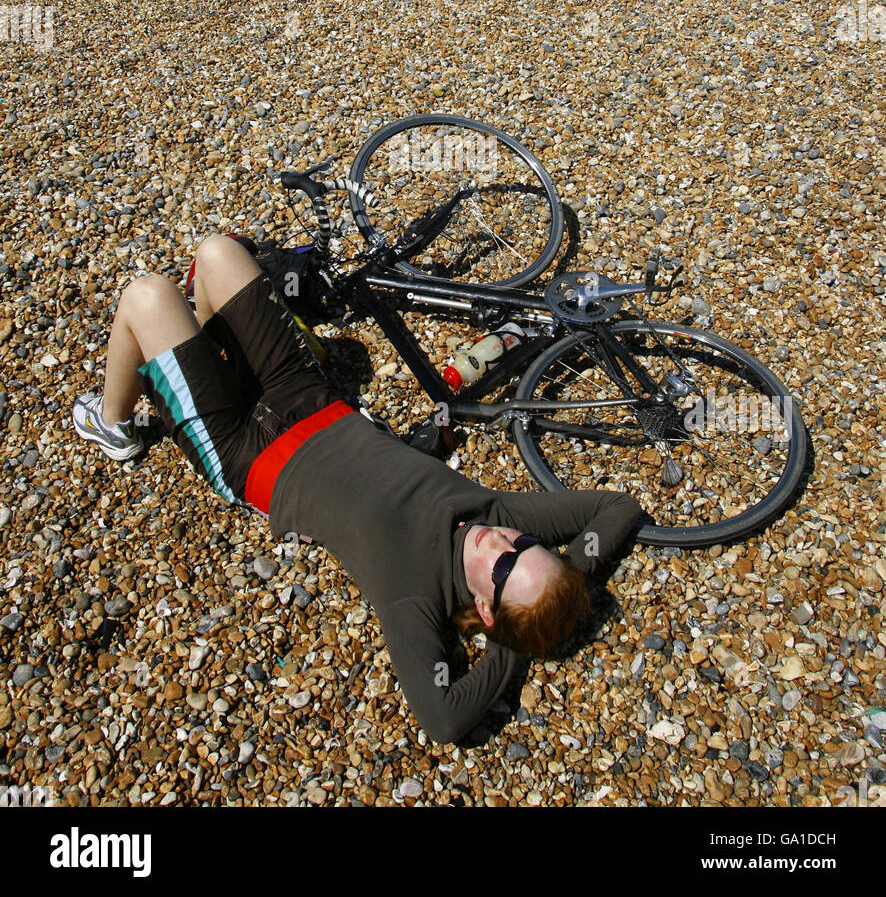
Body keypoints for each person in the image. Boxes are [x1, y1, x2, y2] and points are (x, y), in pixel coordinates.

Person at [72, 235, 644, 744]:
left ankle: (113, 425)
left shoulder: (414, 598)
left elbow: (442, 720)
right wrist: (568, 572)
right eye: (523, 546)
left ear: (486, 613)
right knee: (218, 253)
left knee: (147, 296)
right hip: (310, 400)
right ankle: (206, 365)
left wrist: (514, 646)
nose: (500, 543)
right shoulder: (497, 514)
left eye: (502, 569)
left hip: (248, 454)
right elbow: (616, 507)